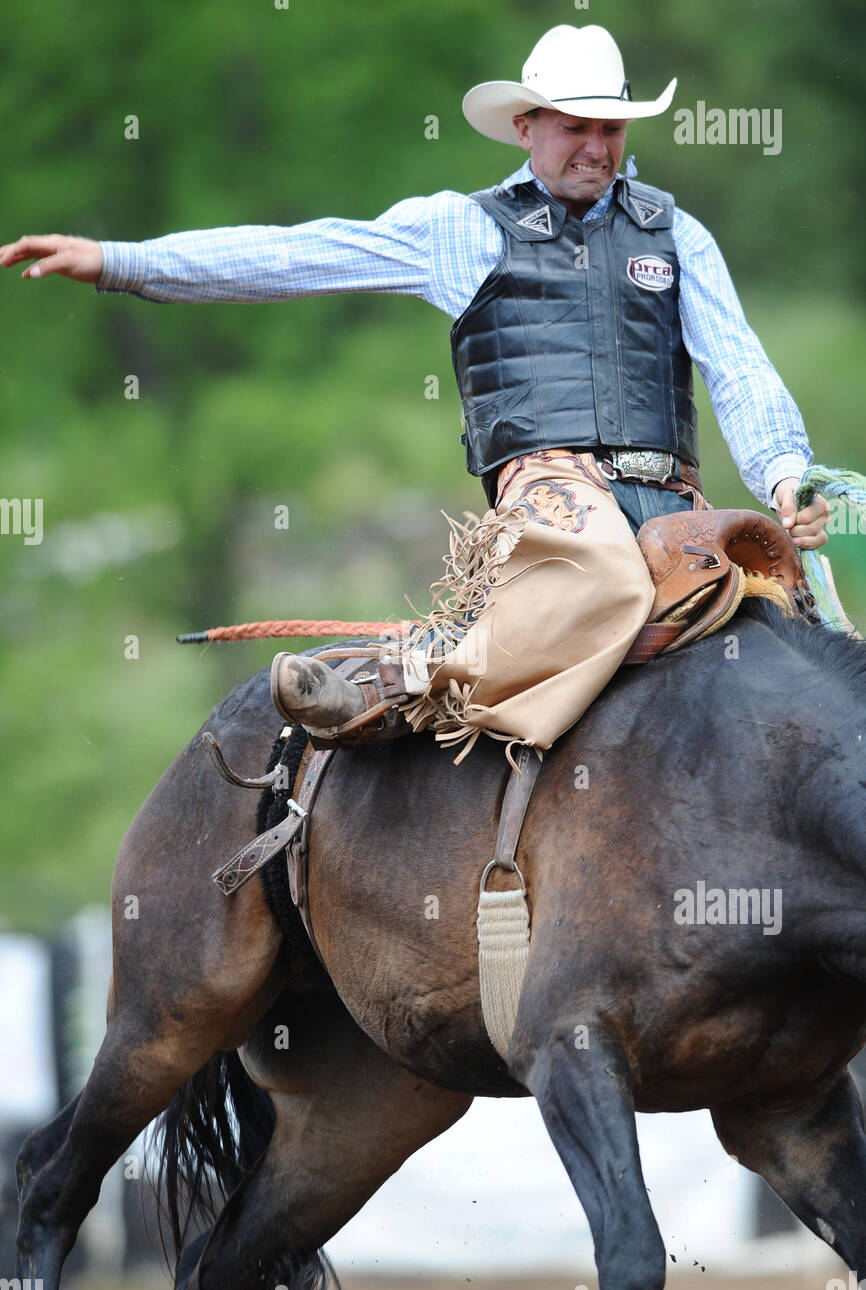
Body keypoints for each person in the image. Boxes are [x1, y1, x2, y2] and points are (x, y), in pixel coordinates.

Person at [0, 24, 830, 767]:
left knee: (808, 636)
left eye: (609, 128)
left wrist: (788, 476)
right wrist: (122, 262)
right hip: (554, 489)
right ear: (527, 125)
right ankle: (412, 676)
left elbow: (738, 362)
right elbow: (298, 256)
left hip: (673, 499)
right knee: (606, 581)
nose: (595, 147)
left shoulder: (679, 233)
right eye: (575, 126)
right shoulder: (461, 229)